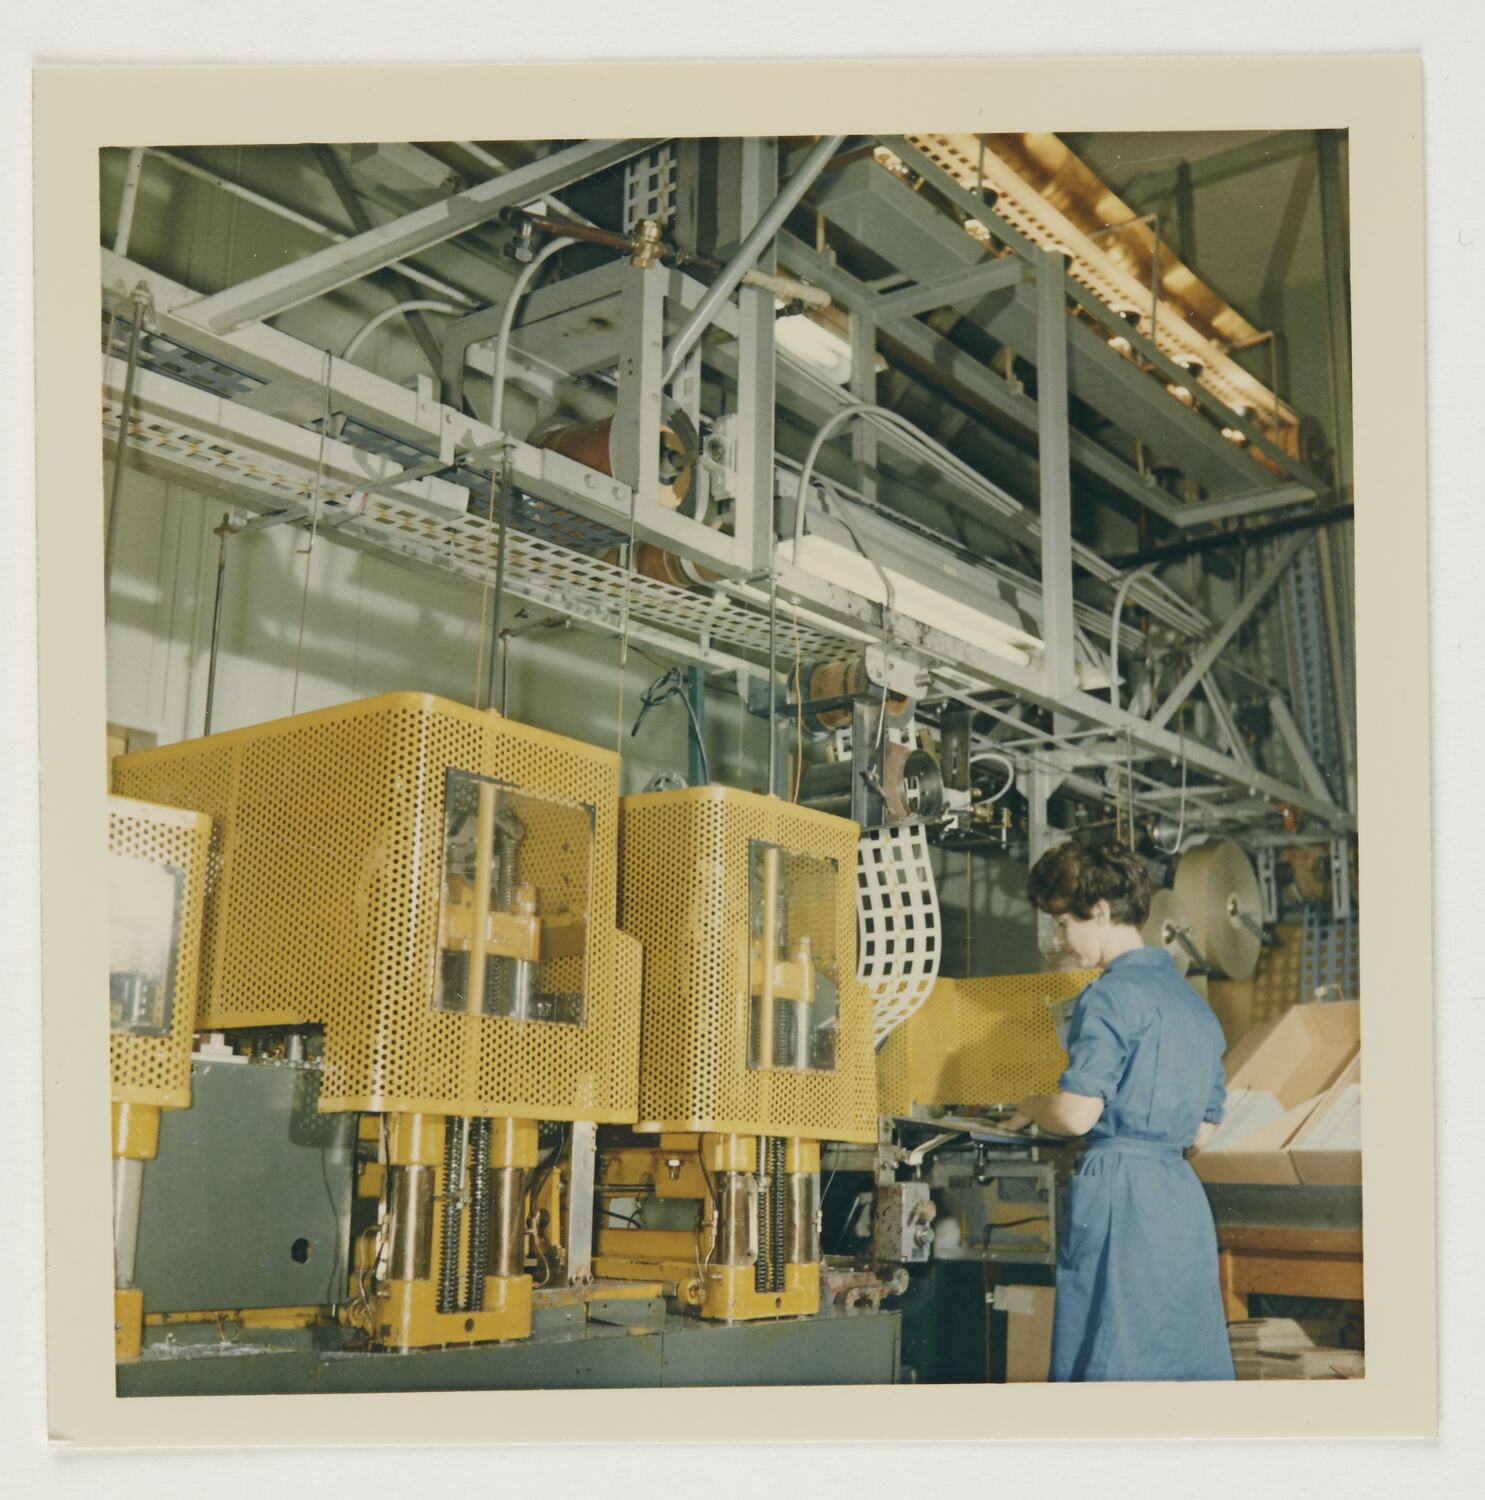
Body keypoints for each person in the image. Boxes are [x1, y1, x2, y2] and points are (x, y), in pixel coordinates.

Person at [1004, 839, 1235, 1382]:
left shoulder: (1107, 996)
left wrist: (1031, 1105)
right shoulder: (1193, 1005)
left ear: (1101, 912)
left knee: (1111, 1356)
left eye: (1062, 923)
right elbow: (1203, 1130)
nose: (1058, 939)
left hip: (1121, 1196)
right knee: (1177, 1357)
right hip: (1178, 1197)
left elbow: (1078, 1115)